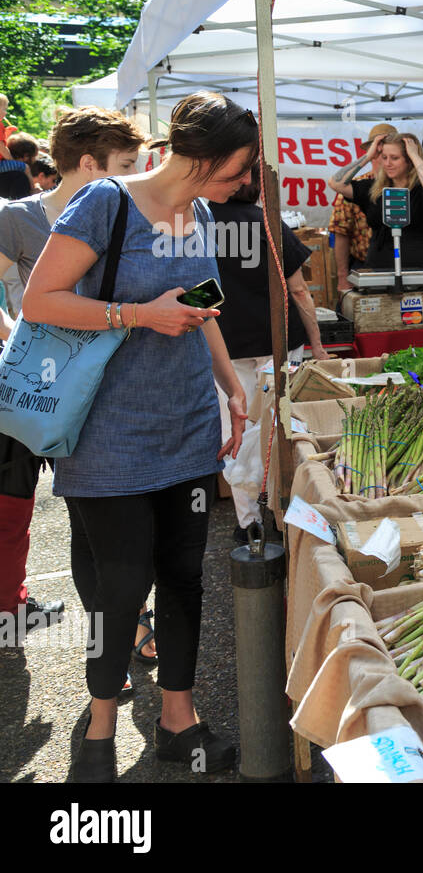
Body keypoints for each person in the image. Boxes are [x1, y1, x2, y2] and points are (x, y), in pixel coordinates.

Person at [22, 91, 255, 782]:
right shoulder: (107, 203)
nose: (245, 184)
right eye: (239, 169)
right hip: (108, 436)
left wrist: (230, 383)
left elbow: (201, 297)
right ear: (205, 157)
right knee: (121, 587)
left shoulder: (201, 212)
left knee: (184, 578)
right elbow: (40, 299)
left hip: (185, 426)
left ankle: (178, 721)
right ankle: (99, 728)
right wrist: (137, 314)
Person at [1, 108, 156, 674]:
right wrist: (17, 337)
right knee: (50, 518)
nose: (135, 176)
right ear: (88, 163)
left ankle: (129, 628)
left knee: (119, 524)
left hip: (114, 389)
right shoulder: (19, 219)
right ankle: (96, 640)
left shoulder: (131, 212)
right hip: (44, 392)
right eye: (124, 166)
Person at [209, 168, 331, 541]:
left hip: (224, 344)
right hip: (278, 342)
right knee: (280, 425)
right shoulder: (266, 221)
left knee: (235, 427)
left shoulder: (196, 223)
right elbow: (299, 291)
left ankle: (248, 523)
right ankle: (282, 513)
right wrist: (318, 344)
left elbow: (193, 291)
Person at [328, 130, 423, 274]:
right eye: (384, 157)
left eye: (394, 158)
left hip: (418, 270)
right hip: (378, 270)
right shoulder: (373, 189)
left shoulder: (421, 190)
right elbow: (336, 183)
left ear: (408, 160)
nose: (388, 163)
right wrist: (368, 156)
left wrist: (414, 155)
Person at [327, 123, 395, 295]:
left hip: (404, 265)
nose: (386, 159)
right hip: (365, 267)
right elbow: (341, 232)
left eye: (392, 154)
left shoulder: (405, 187)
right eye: (380, 153)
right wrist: (343, 278)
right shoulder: (355, 188)